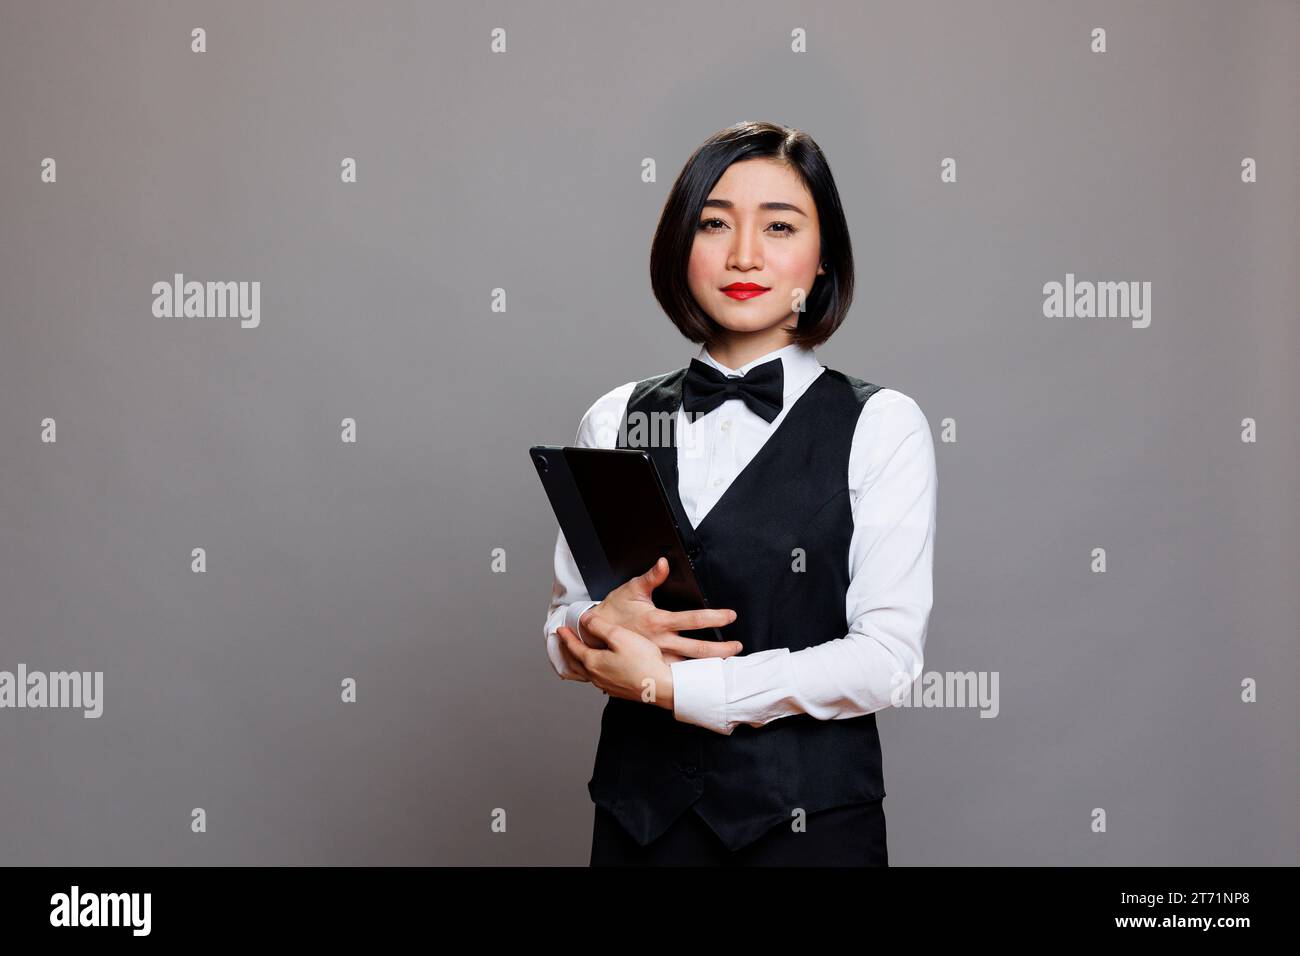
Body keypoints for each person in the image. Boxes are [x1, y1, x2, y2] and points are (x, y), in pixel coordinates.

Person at [543, 121, 937, 866]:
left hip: (810, 833)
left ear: (823, 260)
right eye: (713, 223)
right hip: (639, 827)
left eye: (780, 226)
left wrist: (681, 689)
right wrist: (595, 624)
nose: (744, 255)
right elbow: (561, 631)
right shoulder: (613, 416)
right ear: (677, 248)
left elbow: (886, 659)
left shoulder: (882, 425)